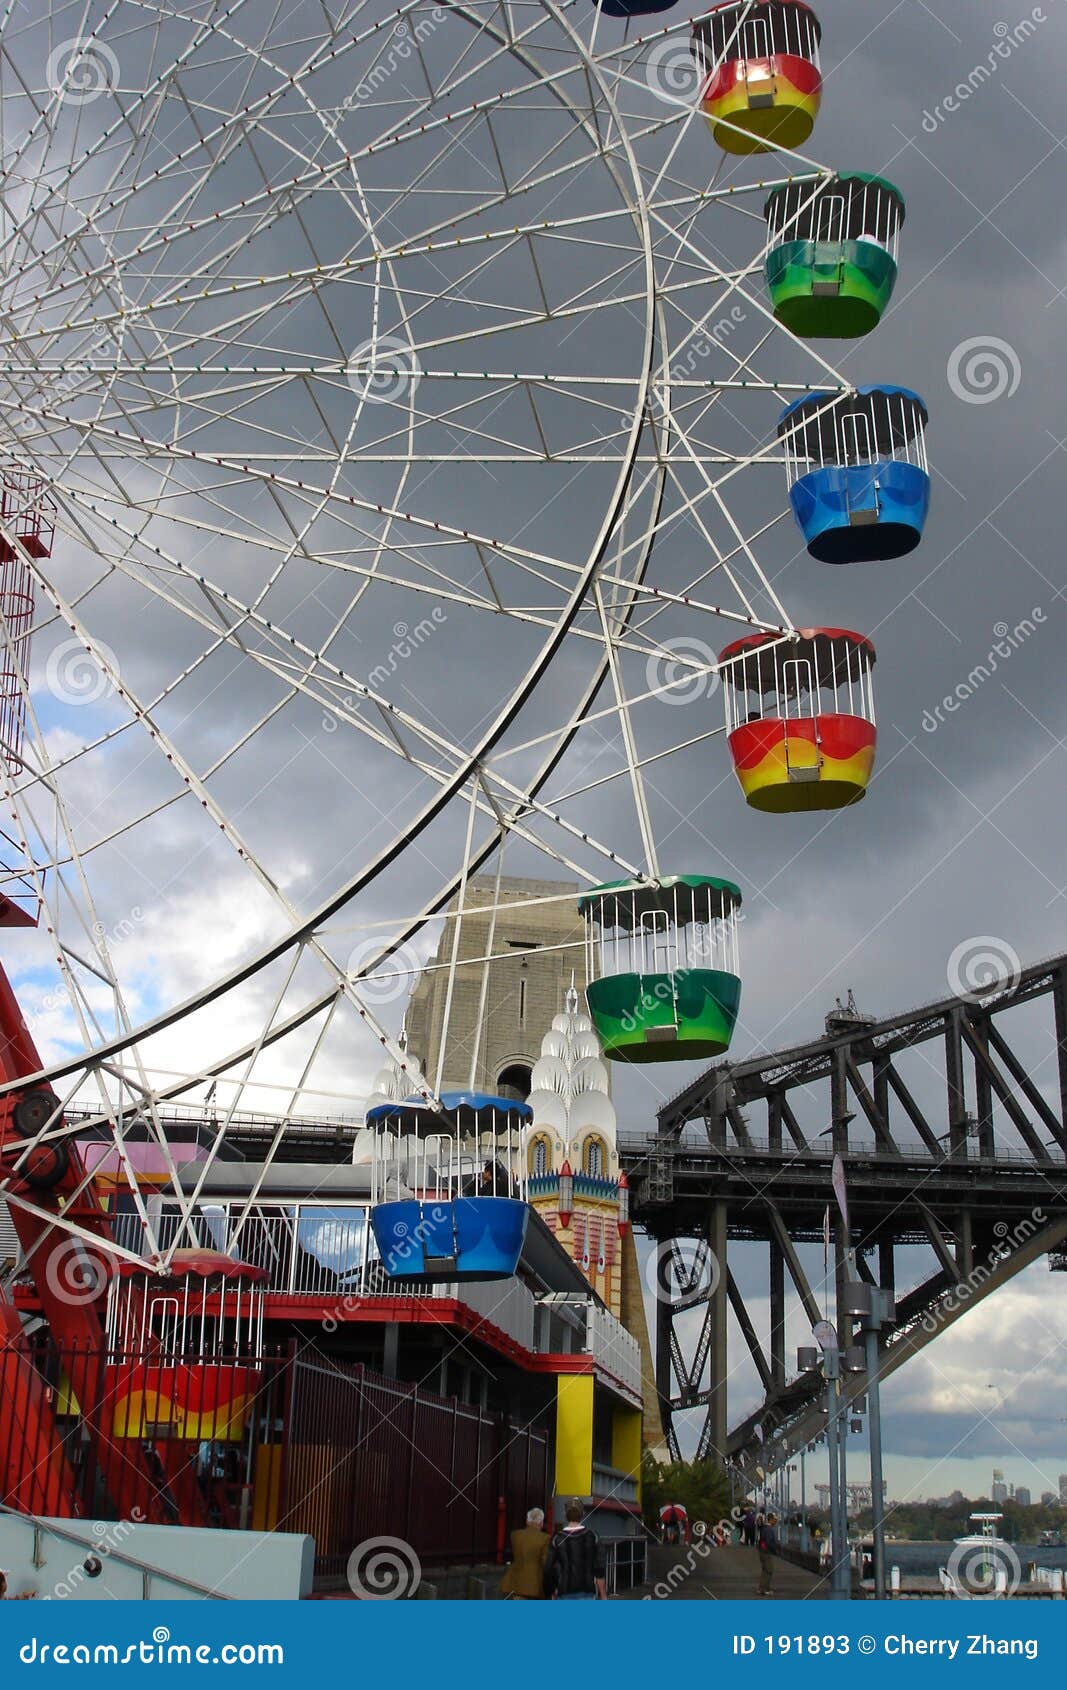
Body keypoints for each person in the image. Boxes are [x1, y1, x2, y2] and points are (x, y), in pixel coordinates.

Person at [543, 1499, 607, 1600]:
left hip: (564, 1592)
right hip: (587, 1591)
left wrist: (551, 1590)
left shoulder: (557, 1538)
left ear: (565, 1514)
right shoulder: (593, 1536)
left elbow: (547, 1568)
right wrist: (603, 1595)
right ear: (582, 1514)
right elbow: (599, 1568)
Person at [500, 1507, 550, 1599]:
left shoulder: (515, 1535)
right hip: (534, 1586)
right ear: (541, 1523)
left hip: (515, 1584)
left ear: (527, 1521)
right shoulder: (545, 1538)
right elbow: (545, 1562)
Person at [757, 1510, 778, 1598]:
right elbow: (768, 1542)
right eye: (775, 1520)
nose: (776, 1522)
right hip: (767, 1552)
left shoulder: (764, 1528)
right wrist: (774, 1550)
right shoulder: (769, 1529)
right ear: (771, 1520)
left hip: (762, 1551)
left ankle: (761, 1588)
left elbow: (761, 1541)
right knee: (769, 1570)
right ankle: (765, 1589)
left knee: (765, 1570)